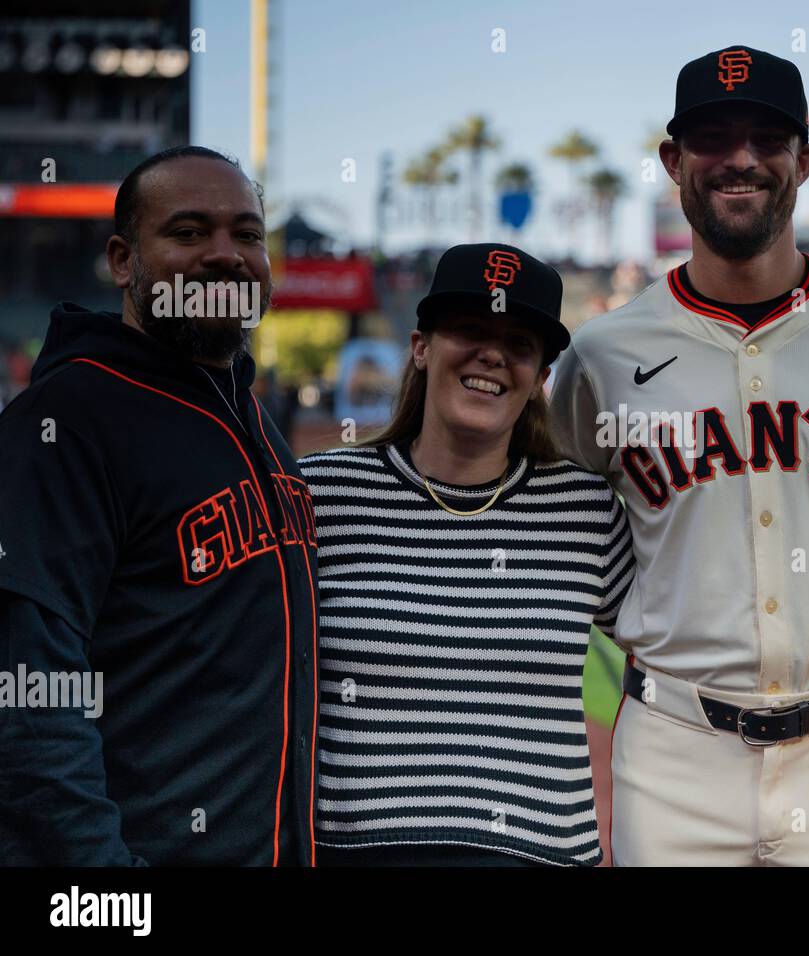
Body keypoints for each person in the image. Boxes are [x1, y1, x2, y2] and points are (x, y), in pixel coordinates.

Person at [548, 46, 809, 865]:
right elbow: (559, 526)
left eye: (766, 138)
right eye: (711, 136)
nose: (739, 158)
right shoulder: (601, 355)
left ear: (804, 160)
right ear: (673, 161)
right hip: (670, 747)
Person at [0, 146, 318, 865]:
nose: (225, 256)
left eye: (247, 234)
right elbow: (27, 708)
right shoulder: (64, 424)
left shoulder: (254, 419)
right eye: (187, 232)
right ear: (122, 260)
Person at [300, 243, 633, 867]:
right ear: (421, 346)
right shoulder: (321, 492)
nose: (492, 355)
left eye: (520, 343)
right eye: (471, 330)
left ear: (540, 377)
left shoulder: (585, 511)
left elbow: (673, 658)